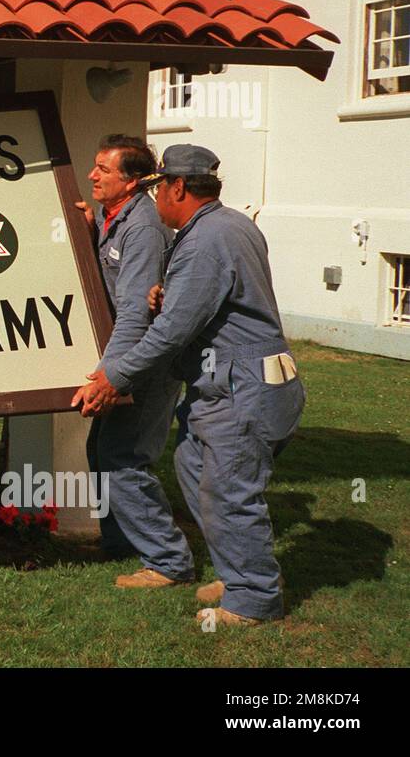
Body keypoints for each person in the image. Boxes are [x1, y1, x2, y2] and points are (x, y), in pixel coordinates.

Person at [72, 145, 304, 627]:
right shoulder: (231, 226)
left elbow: (173, 330)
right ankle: (239, 570)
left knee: (228, 490)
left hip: (242, 388)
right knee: (194, 464)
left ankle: (253, 599)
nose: (156, 199)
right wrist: (169, 293)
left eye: (160, 188)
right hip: (244, 380)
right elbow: (217, 297)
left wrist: (115, 375)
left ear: (178, 187)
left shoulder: (202, 242)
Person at [74, 135, 192, 589]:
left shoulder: (142, 227)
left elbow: (136, 312)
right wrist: (92, 234)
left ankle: (166, 561)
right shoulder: (115, 218)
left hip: (147, 363)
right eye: (94, 166)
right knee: (100, 449)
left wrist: (112, 375)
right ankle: (121, 542)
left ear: (133, 181)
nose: (92, 176)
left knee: (124, 455)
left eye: (104, 169)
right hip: (128, 357)